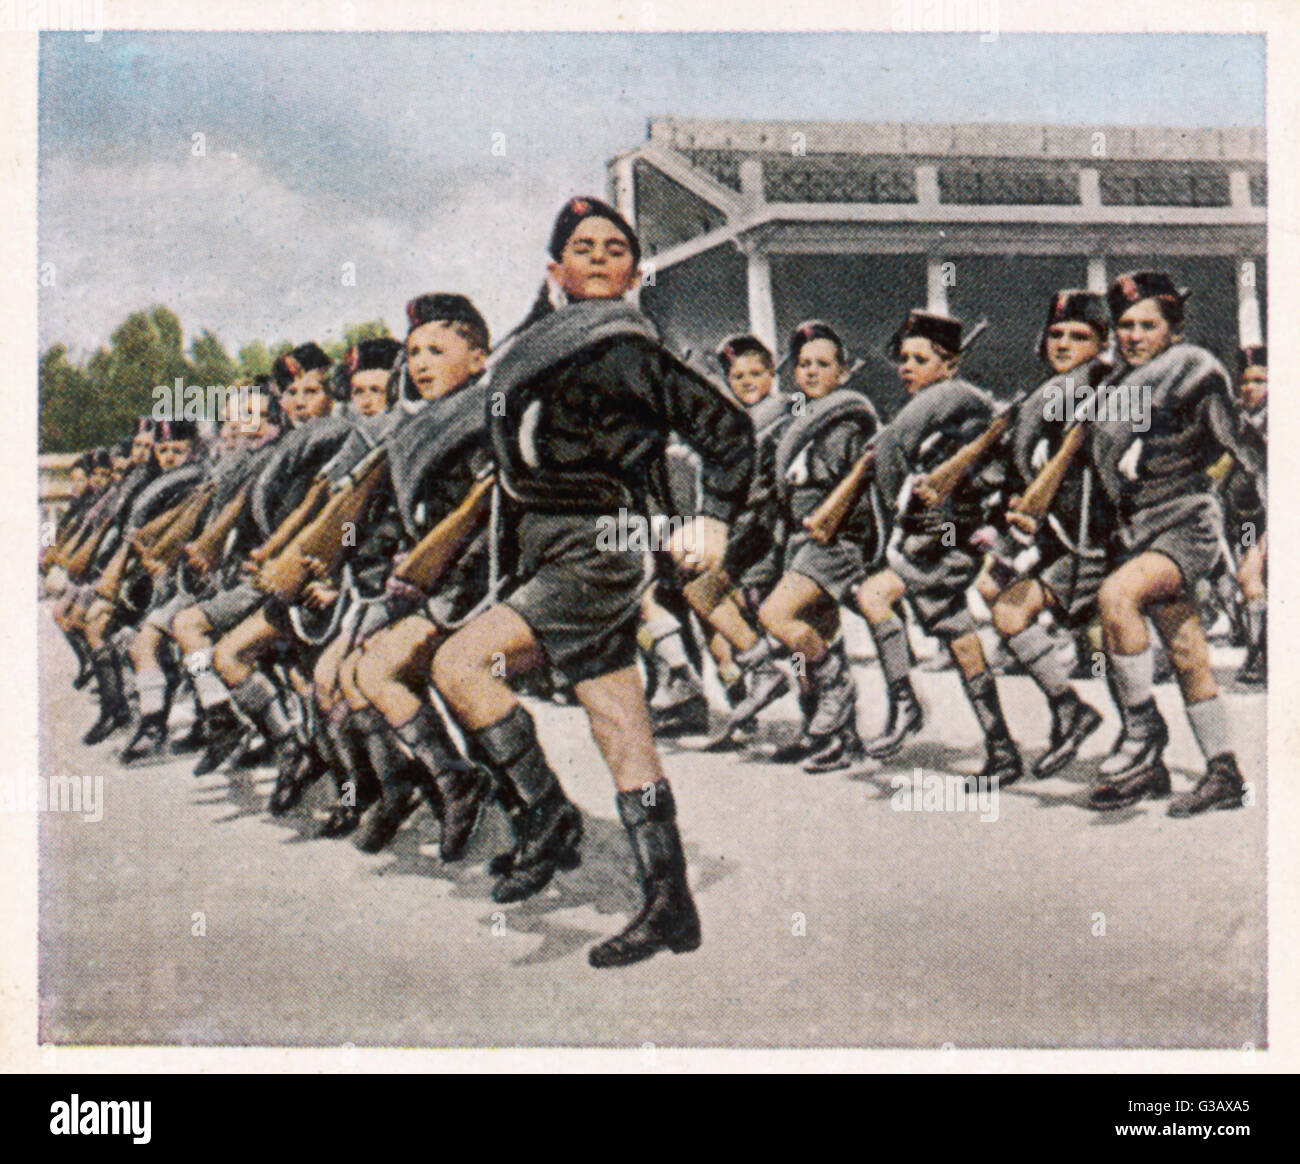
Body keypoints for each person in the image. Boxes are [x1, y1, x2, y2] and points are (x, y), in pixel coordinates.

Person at [430, 196, 754, 968]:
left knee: (459, 665)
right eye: (584, 246)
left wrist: (713, 518)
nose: (602, 255)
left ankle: (547, 817)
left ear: (637, 273)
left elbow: (727, 430)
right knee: (622, 733)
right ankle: (671, 902)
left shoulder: (626, 350)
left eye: (617, 247)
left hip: (596, 548)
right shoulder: (537, 352)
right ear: (555, 271)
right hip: (550, 547)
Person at [1085, 271, 1265, 815]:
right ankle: (1223, 772)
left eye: (1146, 325)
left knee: (1117, 598)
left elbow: (1241, 443)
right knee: (1188, 654)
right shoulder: (1115, 384)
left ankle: (1142, 734)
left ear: (1173, 330)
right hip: (1138, 527)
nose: (1133, 336)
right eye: (1123, 326)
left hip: (1187, 525)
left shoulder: (1195, 370)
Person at [854, 309, 1021, 790]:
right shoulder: (946, 409)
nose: (906, 366)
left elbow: (896, 458)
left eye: (919, 359)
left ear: (948, 365)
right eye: (903, 358)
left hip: (946, 540)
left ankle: (905, 700)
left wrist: (900, 507)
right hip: (939, 539)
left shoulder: (953, 401)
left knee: (875, 596)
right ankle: (1005, 746)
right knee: (961, 638)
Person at [984, 290, 1112, 778]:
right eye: (1056, 334)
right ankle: (1075, 713)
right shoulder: (1046, 397)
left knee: (1013, 612)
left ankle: (1074, 711)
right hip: (1062, 539)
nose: (1062, 344)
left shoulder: (1099, 389)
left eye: (1078, 336)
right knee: (1004, 604)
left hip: (1096, 541)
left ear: (1102, 344)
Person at [741, 321, 879, 771]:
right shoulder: (790, 426)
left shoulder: (850, 425)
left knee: (776, 616)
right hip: (796, 541)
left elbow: (859, 491)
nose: (812, 372)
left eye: (824, 364)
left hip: (834, 541)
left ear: (843, 372)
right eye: (803, 364)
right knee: (816, 637)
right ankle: (833, 739)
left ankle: (837, 689)